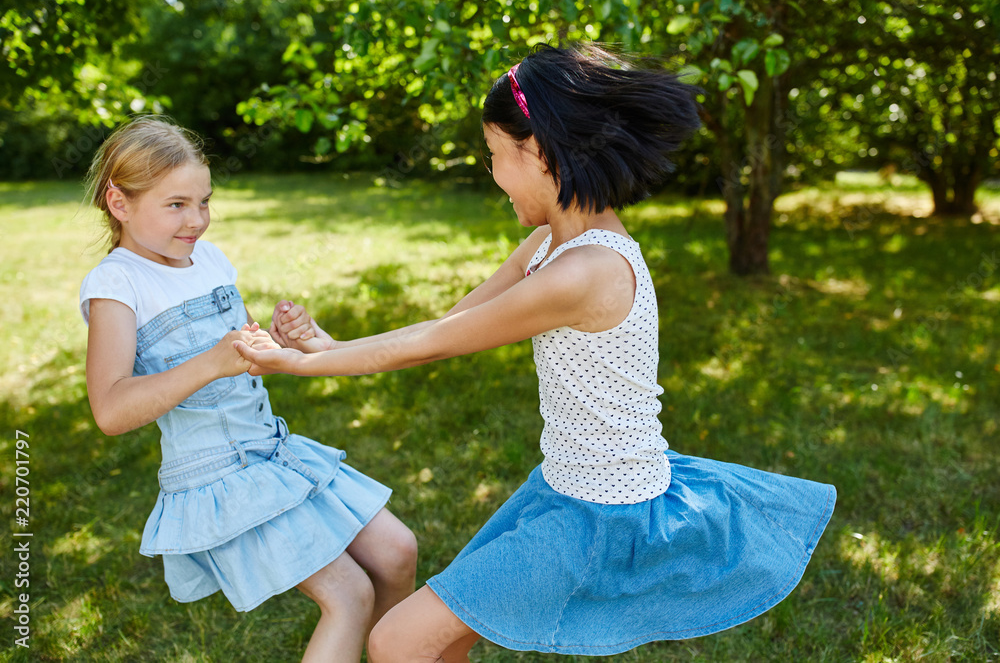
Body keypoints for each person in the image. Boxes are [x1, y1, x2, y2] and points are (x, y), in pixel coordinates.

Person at [236, 44, 837, 661]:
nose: (493, 174)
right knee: (439, 643)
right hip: (561, 488)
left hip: (602, 517)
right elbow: (449, 325)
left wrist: (301, 364)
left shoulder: (585, 272)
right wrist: (331, 345)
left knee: (397, 640)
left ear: (540, 151)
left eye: (497, 155)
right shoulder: (550, 244)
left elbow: (429, 346)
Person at [78, 115, 417, 663]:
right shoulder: (118, 284)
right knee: (349, 595)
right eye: (177, 205)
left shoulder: (208, 259)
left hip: (270, 450)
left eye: (204, 202)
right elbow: (111, 409)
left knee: (398, 552)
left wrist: (288, 339)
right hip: (217, 476)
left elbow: (250, 355)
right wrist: (211, 362)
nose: (198, 220)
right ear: (120, 204)